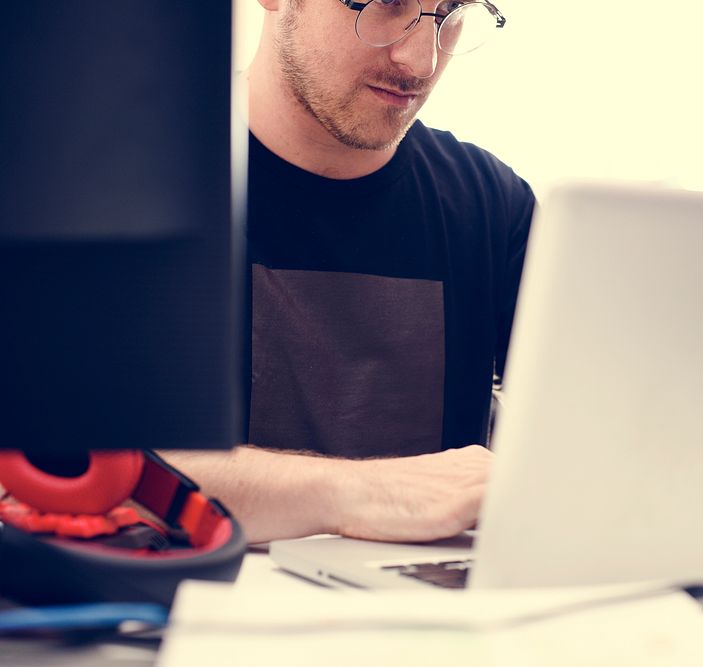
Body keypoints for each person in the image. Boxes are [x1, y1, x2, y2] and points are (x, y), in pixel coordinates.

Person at [162, 0, 534, 545]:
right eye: (386, 3)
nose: (420, 61)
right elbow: (70, 468)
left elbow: (610, 434)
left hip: (433, 617)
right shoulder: (131, 181)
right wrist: (358, 492)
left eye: (451, 13)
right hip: (194, 608)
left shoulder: (492, 204)